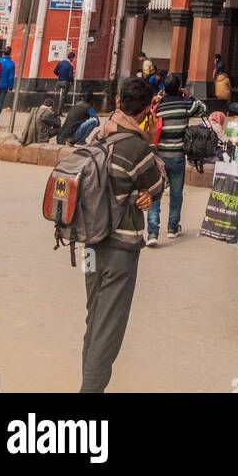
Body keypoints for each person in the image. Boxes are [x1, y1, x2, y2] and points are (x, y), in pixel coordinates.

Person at [80, 77, 165, 393]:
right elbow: (156, 186)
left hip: (89, 242)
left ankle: (88, 382)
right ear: (145, 111)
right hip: (119, 247)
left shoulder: (97, 134)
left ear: (117, 103)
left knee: (94, 317)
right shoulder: (136, 147)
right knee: (109, 326)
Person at [146, 71, 206, 246]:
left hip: (160, 156)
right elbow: (202, 108)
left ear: (164, 88)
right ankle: (172, 227)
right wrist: (190, 96)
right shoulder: (185, 105)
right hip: (178, 156)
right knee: (176, 194)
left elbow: (149, 116)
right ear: (179, 88)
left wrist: (157, 99)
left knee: (155, 192)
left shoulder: (159, 106)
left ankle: (152, 232)